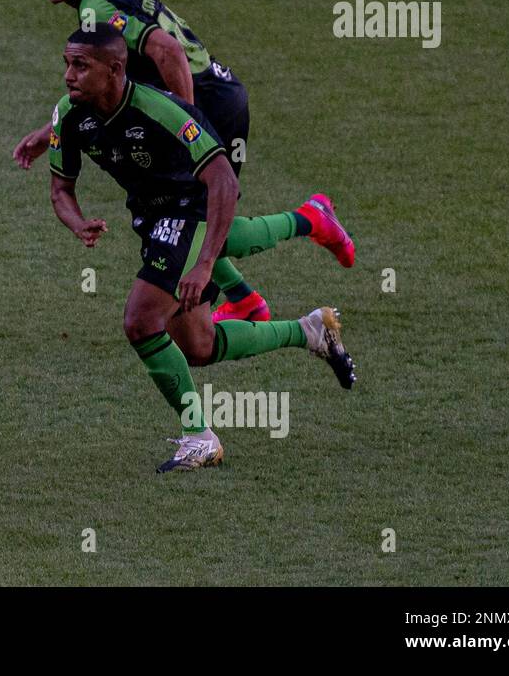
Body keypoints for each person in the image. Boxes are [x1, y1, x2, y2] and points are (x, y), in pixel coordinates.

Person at [46, 25, 355, 472]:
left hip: (192, 207)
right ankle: (309, 328)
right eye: (66, 64)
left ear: (115, 69)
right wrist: (77, 223)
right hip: (152, 219)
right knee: (198, 346)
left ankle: (198, 434)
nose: (68, 76)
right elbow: (61, 189)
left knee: (141, 321)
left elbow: (223, 180)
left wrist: (206, 263)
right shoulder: (71, 115)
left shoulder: (160, 110)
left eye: (80, 65)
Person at [16, 0, 355, 323]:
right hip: (212, 96)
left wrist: (185, 125)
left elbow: (168, 51)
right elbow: (113, 82)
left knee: (203, 221)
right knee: (178, 219)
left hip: (208, 103)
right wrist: (49, 132)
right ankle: (246, 298)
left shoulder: (97, 10)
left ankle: (310, 219)